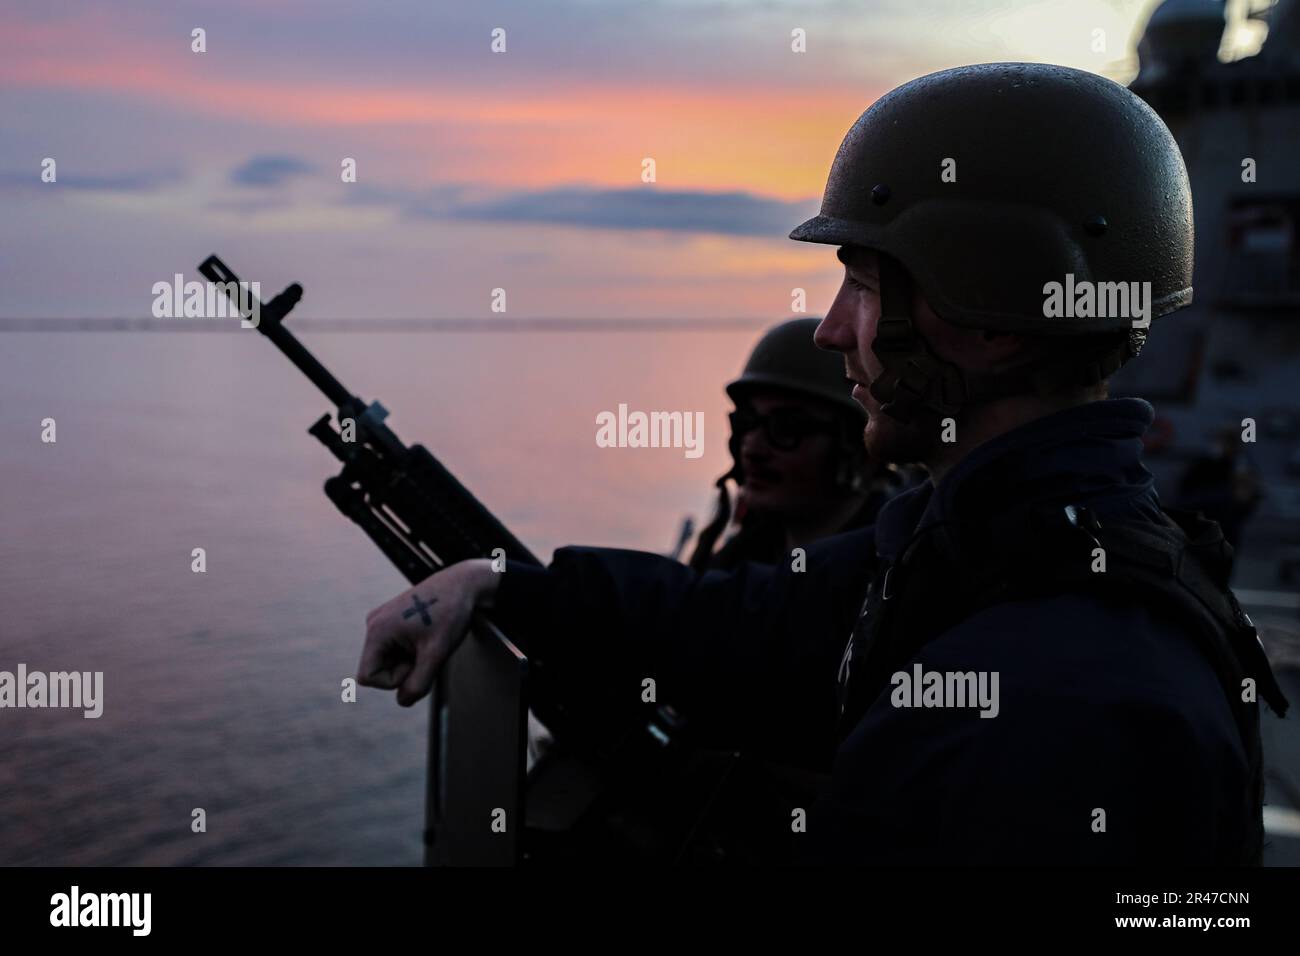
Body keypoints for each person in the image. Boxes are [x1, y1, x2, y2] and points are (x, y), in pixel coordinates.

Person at [358, 63, 1288, 864]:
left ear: (983, 318)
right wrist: (500, 585)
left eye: (863, 284)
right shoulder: (989, 545)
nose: (836, 331)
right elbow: (746, 620)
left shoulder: (1052, 698)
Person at [687, 316, 912, 572]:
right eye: (746, 422)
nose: (752, 448)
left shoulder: (895, 568)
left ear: (862, 450)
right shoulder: (743, 557)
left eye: (787, 428)